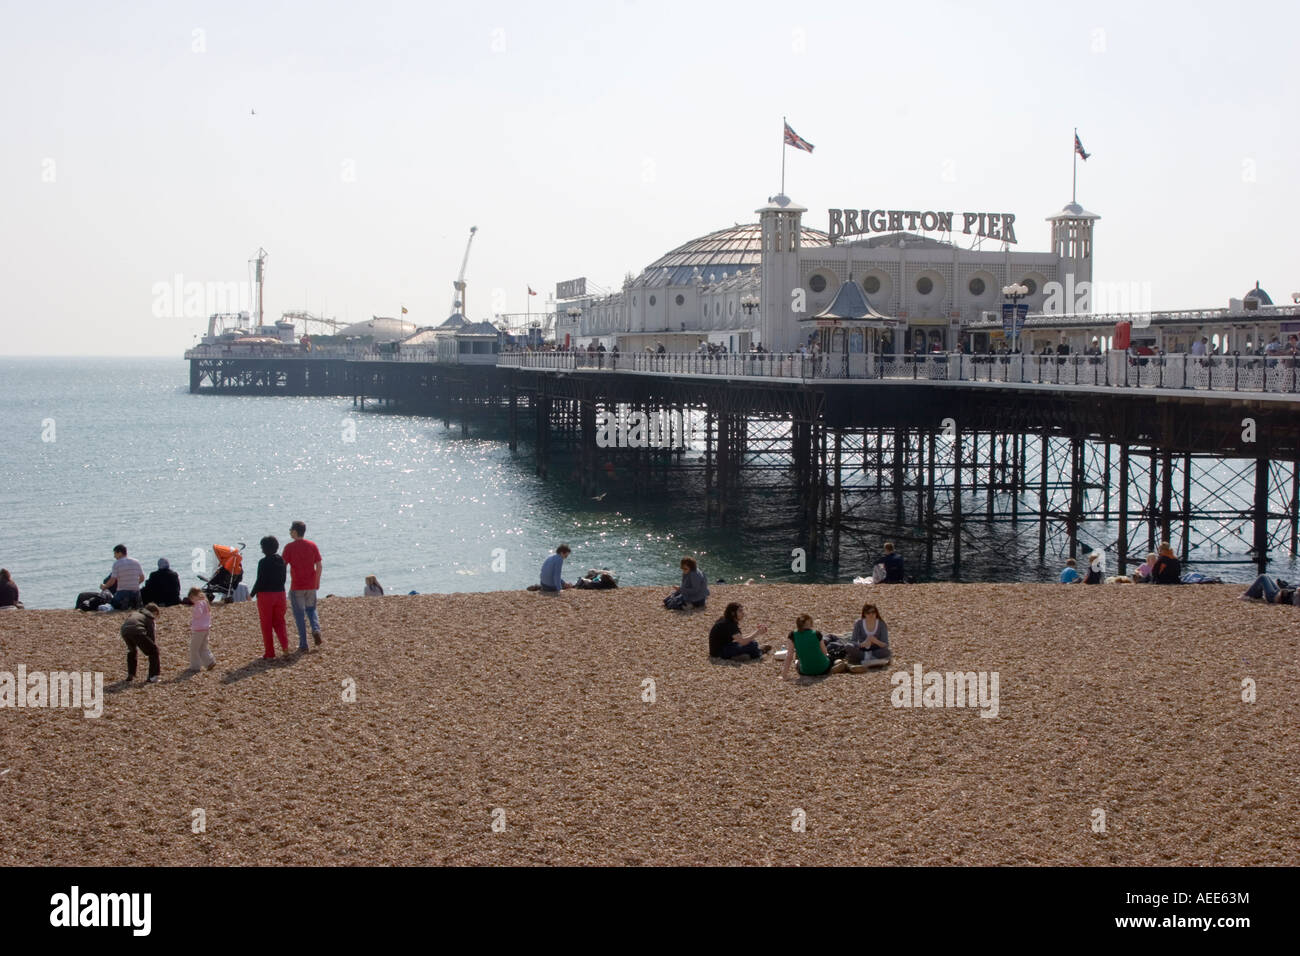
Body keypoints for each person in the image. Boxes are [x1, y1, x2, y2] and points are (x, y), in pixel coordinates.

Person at [248, 535, 290, 659]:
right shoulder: (281, 560)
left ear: (265, 548)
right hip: (280, 594)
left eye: (262, 547)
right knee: (280, 621)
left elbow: (260, 580)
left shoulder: (263, 562)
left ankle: (270, 652)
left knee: (266, 624)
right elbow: (283, 578)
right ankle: (285, 647)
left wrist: (252, 594)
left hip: (266, 595)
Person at [283, 520, 323, 650]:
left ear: (295, 531)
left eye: (290, 530)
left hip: (297, 586)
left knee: (299, 614)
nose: (289, 532)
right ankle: (316, 629)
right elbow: (319, 565)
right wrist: (317, 581)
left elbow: (282, 565)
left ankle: (303, 643)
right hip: (311, 584)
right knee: (311, 610)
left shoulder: (289, 547)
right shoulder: (312, 545)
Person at [781, 614, 840, 679]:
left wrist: (784, 675)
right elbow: (825, 652)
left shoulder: (792, 634)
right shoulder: (816, 633)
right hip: (823, 669)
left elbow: (789, 656)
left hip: (805, 671)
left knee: (798, 661)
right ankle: (839, 663)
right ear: (810, 623)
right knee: (832, 654)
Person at [120, 603, 162, 683]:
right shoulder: (149, 617)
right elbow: (151, 635)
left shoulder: (135, 613)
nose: (156, 617)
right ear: (154, 612)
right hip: (137, 631)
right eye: (156, 615)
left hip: (124, 631)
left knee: (132, 651)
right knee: (154, 651)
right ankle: (153, 676)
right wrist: (152, 646)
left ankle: (131, 674)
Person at [845, 603, 890, 672]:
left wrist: (875, 641)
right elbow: (853, 641)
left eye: (873, 612)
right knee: (848, 646)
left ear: (876, 613)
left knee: (886, 651)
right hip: (862, 648)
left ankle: (866, 659)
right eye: (868, 613)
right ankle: (872, 659)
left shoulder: (881, 624)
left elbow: (885, 644)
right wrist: (862, 644)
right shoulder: (859, 623)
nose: (871, 614)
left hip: (876, 649)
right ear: (864, 614)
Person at [104, 544, 145, 611]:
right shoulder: (136, 562)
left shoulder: (117, 563)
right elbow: (142, 578)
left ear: (120, 553)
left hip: (122, 593)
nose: (114, 556)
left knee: (111, 601)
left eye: (115, 554)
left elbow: (112, 581)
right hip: (136, 594)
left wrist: (105, 586)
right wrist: (133, 584)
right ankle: (132, 604)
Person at [186, 586, 216, 672]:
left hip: (199, 629)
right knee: (203, 647)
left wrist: (194, 613)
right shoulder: (205, 602)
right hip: (206, 628)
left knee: (194, 648)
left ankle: (195, 666)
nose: (192, 600)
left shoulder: (199, 603)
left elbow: (197, 614)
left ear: (195, 596)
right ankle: (210, 661)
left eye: (192, 598)